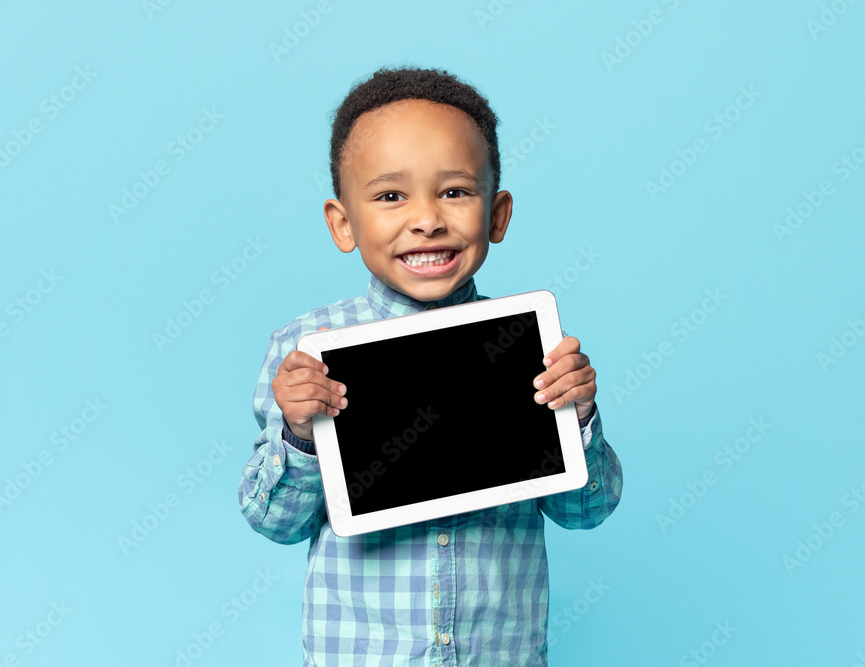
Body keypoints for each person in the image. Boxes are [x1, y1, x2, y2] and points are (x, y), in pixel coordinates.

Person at [237, 65, 623, 666]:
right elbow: (273, 521)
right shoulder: (304, 350)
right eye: (391, 195)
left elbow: (587, 510)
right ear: (343, 223)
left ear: (497, 215)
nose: (427, 219)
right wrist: (298, 435)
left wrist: (577, 417)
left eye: (455, 191)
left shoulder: (528, 348)